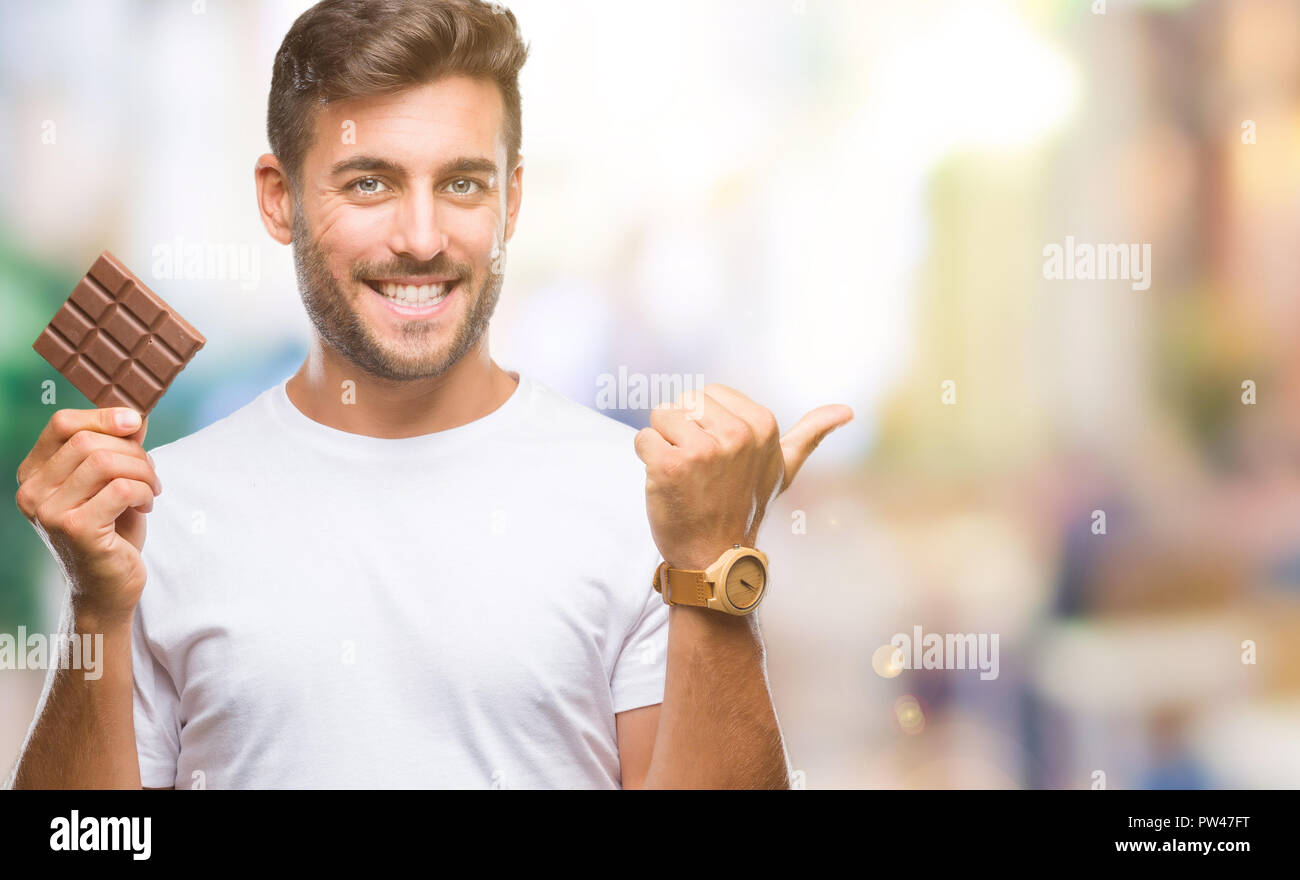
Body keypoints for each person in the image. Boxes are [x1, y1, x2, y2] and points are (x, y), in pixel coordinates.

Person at [9, 0, 850, 789]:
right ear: (279, 199)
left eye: (462, 184)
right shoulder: (160, 510)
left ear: (511, 199)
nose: (421, 239)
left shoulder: (643, 505)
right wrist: (96, 611)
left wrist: (710, 565)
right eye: (369, 182)